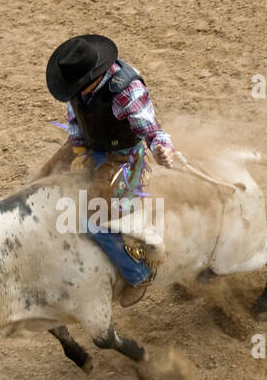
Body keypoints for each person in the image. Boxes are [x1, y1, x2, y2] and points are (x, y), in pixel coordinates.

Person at [39, 34, 177, 306]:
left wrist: (162, 149)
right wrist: (76, 157)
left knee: (94, 218)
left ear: (92, 78)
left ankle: (139, 273)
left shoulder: (127, 90)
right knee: (40, 183)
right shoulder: (79, 88)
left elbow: (153, 131)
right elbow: (75, 121)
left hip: (123, 155)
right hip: (89, 144)